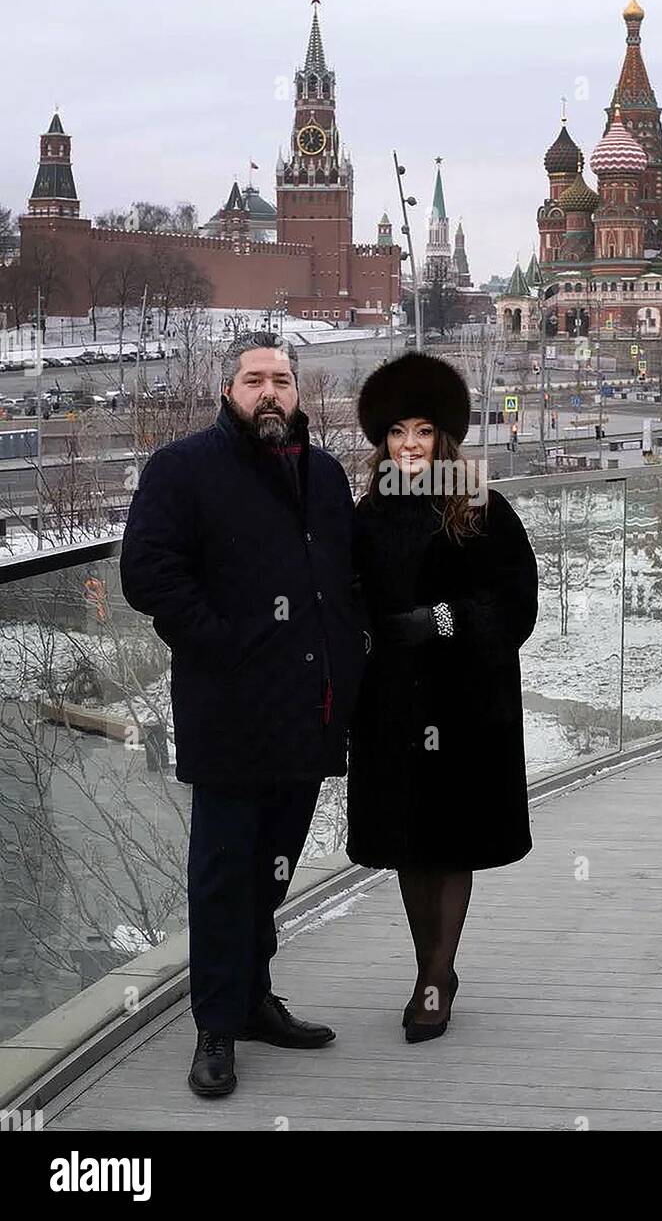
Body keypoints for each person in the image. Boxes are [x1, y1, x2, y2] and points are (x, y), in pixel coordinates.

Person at [120, 331, 367, 1098]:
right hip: (229, 711)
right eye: (254, 379)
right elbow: (147, 572)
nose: (270, 391)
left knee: (271, 870)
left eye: (282, 380)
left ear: (299, 394)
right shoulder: (184, 468)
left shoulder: (322, 474)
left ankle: (255, 1001)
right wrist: (222, 643)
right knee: (224, 874)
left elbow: (344, 576)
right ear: (229, 391)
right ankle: (215, 1030)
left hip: (306, 710)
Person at [347, 352, 538, 1043]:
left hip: (465, 705)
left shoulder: (482, 508)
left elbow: (516, 603)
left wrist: (441, 620)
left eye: (422, 431)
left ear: (444, 437)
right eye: (398, 432)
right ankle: (432, 966)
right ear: (383, 441)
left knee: (451, 843)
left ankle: (435, 979)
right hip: (391, 707)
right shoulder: (366, 518)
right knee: (408, 846)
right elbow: (347, 601)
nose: (409, 445)